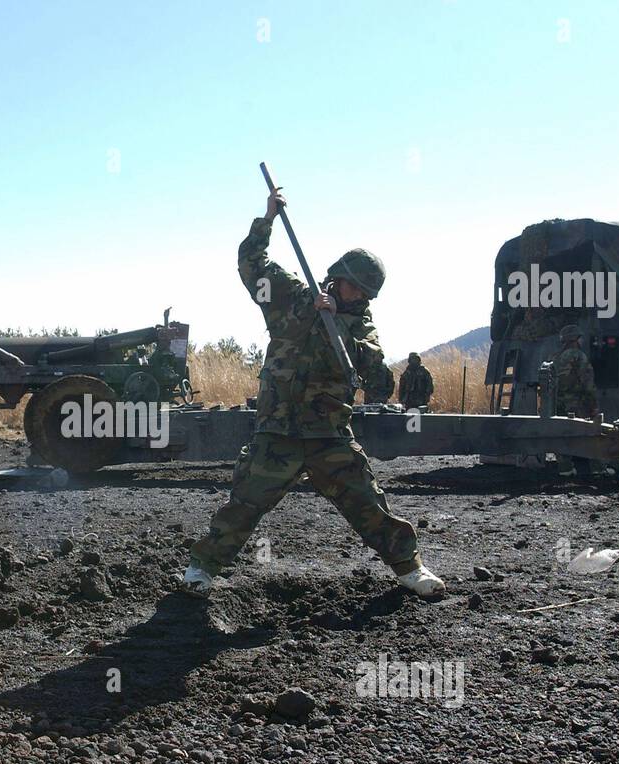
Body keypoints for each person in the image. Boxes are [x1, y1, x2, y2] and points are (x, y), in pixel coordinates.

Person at [181, 187, 445, 599]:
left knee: (368, 504)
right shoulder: (291, 298)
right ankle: (201, 569)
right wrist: (267, 219)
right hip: (278, 431)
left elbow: (375, 376)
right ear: (337, 277)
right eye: (353, 287)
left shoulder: (362, 328)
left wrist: (337, 323)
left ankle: (410, 569)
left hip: (329, 435)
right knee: (245, 504)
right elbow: (252, 265)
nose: (357, 295)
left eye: (365, 292)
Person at [553, 324, 602, 476]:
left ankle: (565, 468)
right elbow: (588, 384)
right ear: (575, 339)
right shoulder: (579, 356)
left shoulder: (555, 357)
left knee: (562, 435)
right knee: (591, 433)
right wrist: (594, 405)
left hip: (558, 403)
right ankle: (598, 469)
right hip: (577, 403)